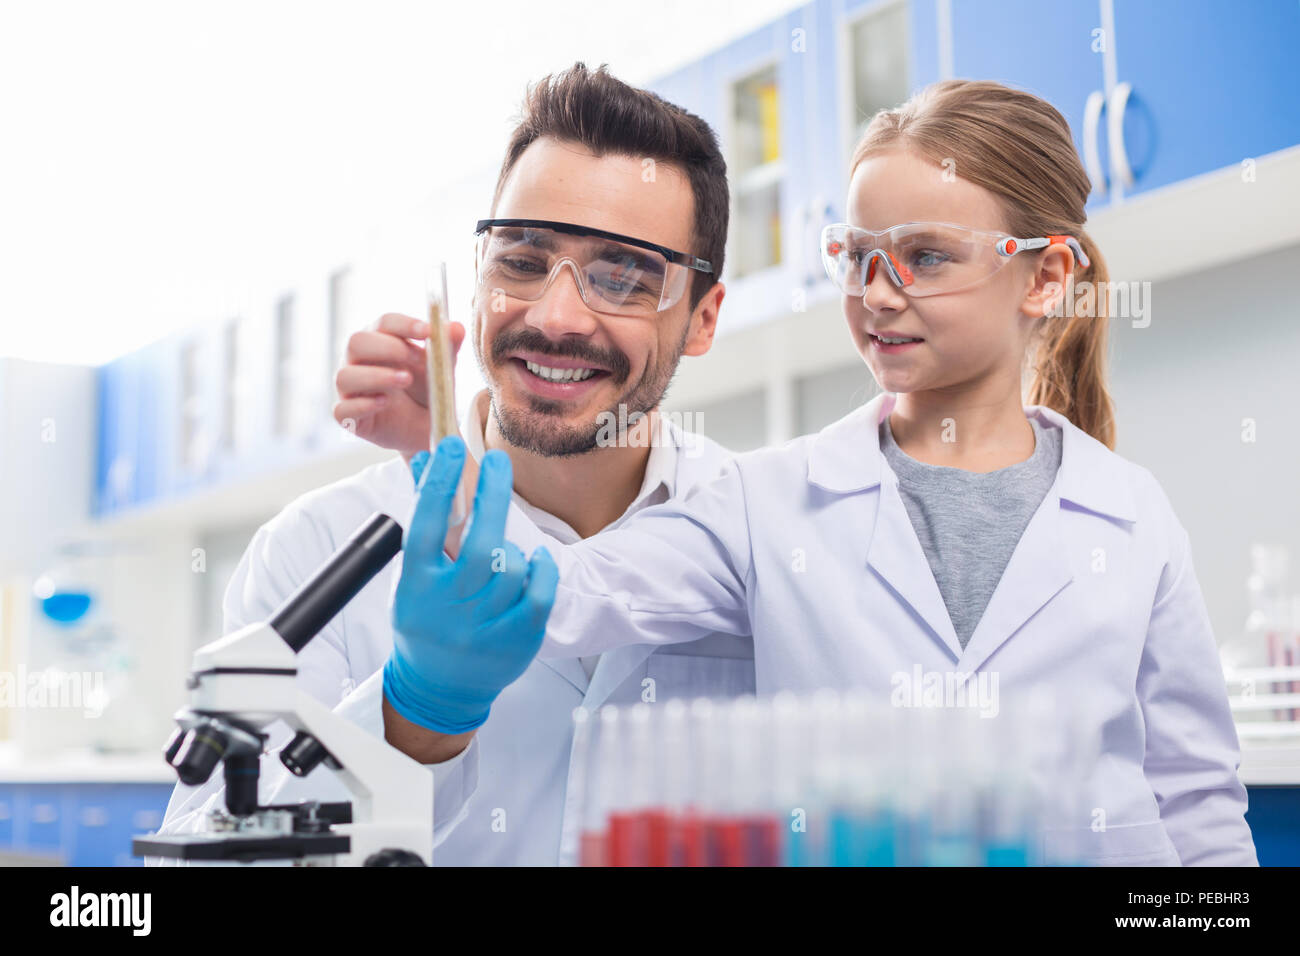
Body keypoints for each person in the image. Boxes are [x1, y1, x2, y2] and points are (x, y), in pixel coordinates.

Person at [399, 79, 1258, 866]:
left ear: (1048, 277)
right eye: (859, 256)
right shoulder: (767, 503)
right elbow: (577, 588)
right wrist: (439, 469)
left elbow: (1197, 804)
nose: (879, 293)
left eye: (925, 257)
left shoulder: (1131, 515)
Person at [152, 62, 755, 866]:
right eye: (523, 259)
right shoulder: (315, 550)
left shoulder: (762, 533)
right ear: (475, 280)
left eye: (624, 276)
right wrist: (408, 721)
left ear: (703, 318)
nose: (557, 316)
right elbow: (202, 858)